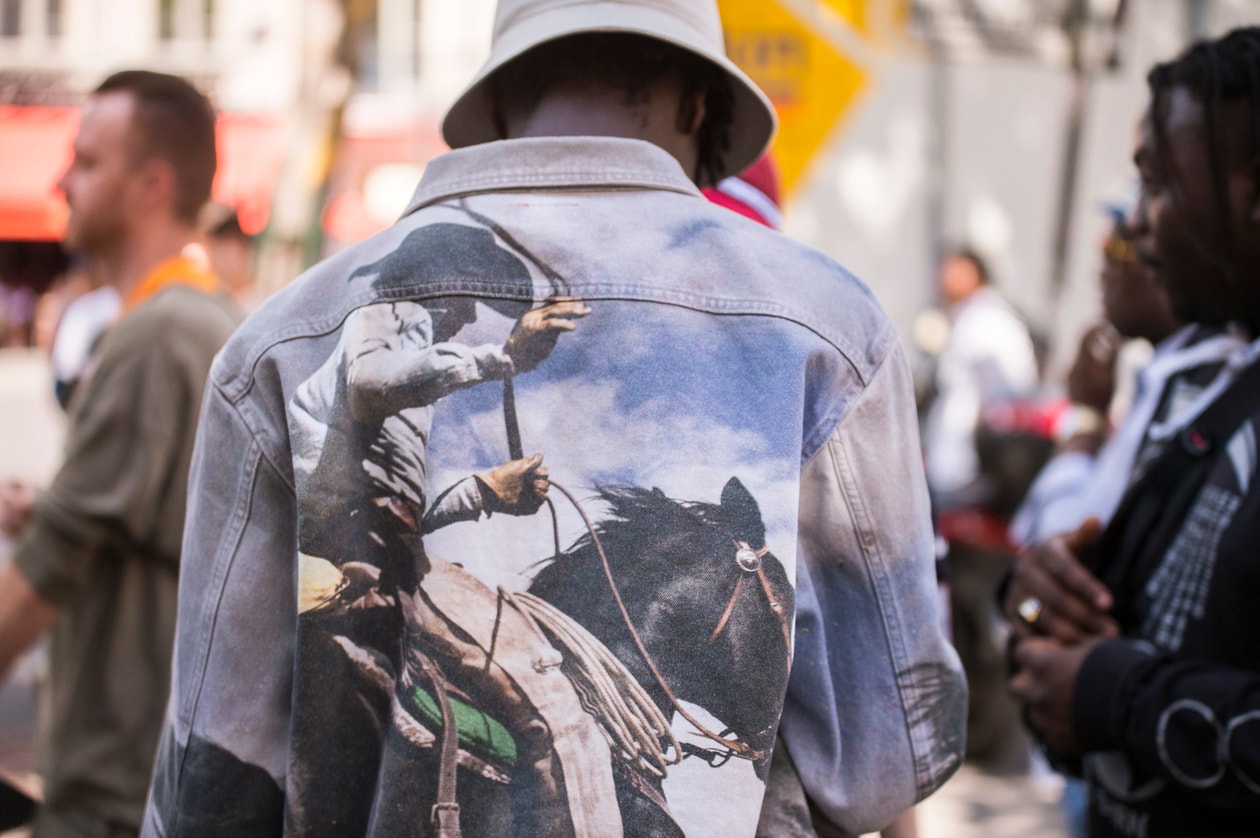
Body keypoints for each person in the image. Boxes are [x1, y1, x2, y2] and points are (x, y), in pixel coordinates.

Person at [143, 2, 966, 836]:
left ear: (497, 107)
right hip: (392, 593)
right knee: (548, 717)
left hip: (387, 596)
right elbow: (886, 758)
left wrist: (484, 492)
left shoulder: (281, 338)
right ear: (700, 107)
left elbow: (211, 784)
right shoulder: (832, 330)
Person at [1004, 27, 1260, 837]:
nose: (1140, 227)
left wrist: (1118, 695)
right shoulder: (1221, 389)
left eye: (1159, 183)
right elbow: (1115, 623)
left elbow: (1122, 686)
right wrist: (1046, 601)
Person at [0, 70, 239, 837]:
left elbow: (50, 570)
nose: (61, 180)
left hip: (109, 790)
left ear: (151, 185)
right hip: (156, 777)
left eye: (88, 160)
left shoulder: (153, 336)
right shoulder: (206, 322)